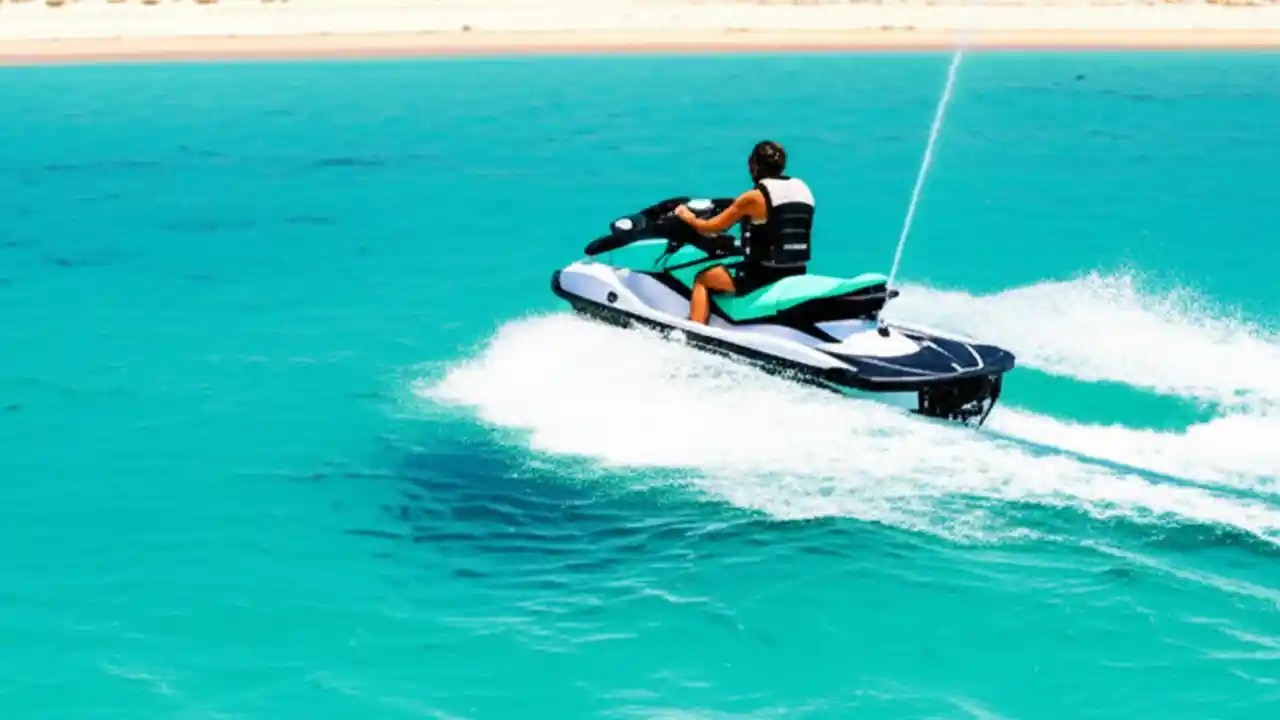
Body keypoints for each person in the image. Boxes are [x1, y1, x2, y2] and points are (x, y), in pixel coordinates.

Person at [673, 140, 815, 325]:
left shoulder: (753, 198)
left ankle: (695, 331)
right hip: (796, 271)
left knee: (703, 278)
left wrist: (687, 217)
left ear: (754, 165)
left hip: (764, 275)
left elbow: (712, 228)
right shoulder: (802, 189)